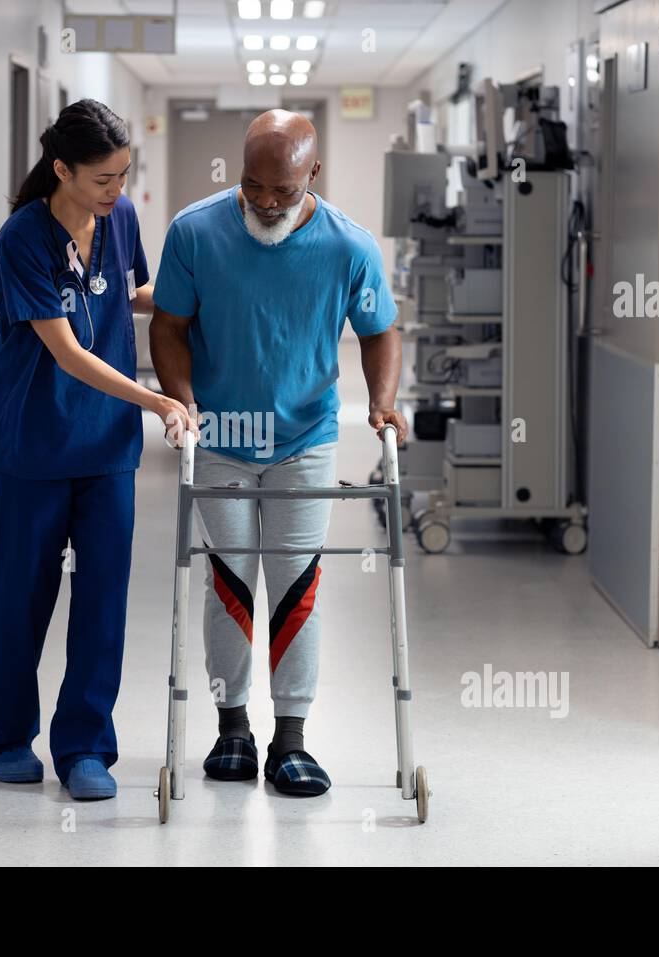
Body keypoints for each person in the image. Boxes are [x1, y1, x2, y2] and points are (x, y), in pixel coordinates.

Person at [149, 109, 407, 797]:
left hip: (305, 439)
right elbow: (169, 327)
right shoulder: (196, 231)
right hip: (224, 437)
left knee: (297, 586)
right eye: (253, 185)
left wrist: (382, 402)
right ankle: (232, 726)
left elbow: (381, 330)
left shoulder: (349, 247)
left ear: (312, 175)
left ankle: (291, 737)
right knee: (230, 581)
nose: (265, 201)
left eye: (282, 191)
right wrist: (182, 400)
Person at [0, 98, 196, 801]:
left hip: (105, 448)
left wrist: (202, 296)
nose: (117, 191)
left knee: (103, 600)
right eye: (103, 179)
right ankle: (10, 737)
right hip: (32, 444)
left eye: (124, 176)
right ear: (62, 169)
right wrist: (161, 399)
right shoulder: (21, 238)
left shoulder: (119, 218)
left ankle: (85, 748)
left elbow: (130, 293)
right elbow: (68, 352)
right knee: (22, 598)